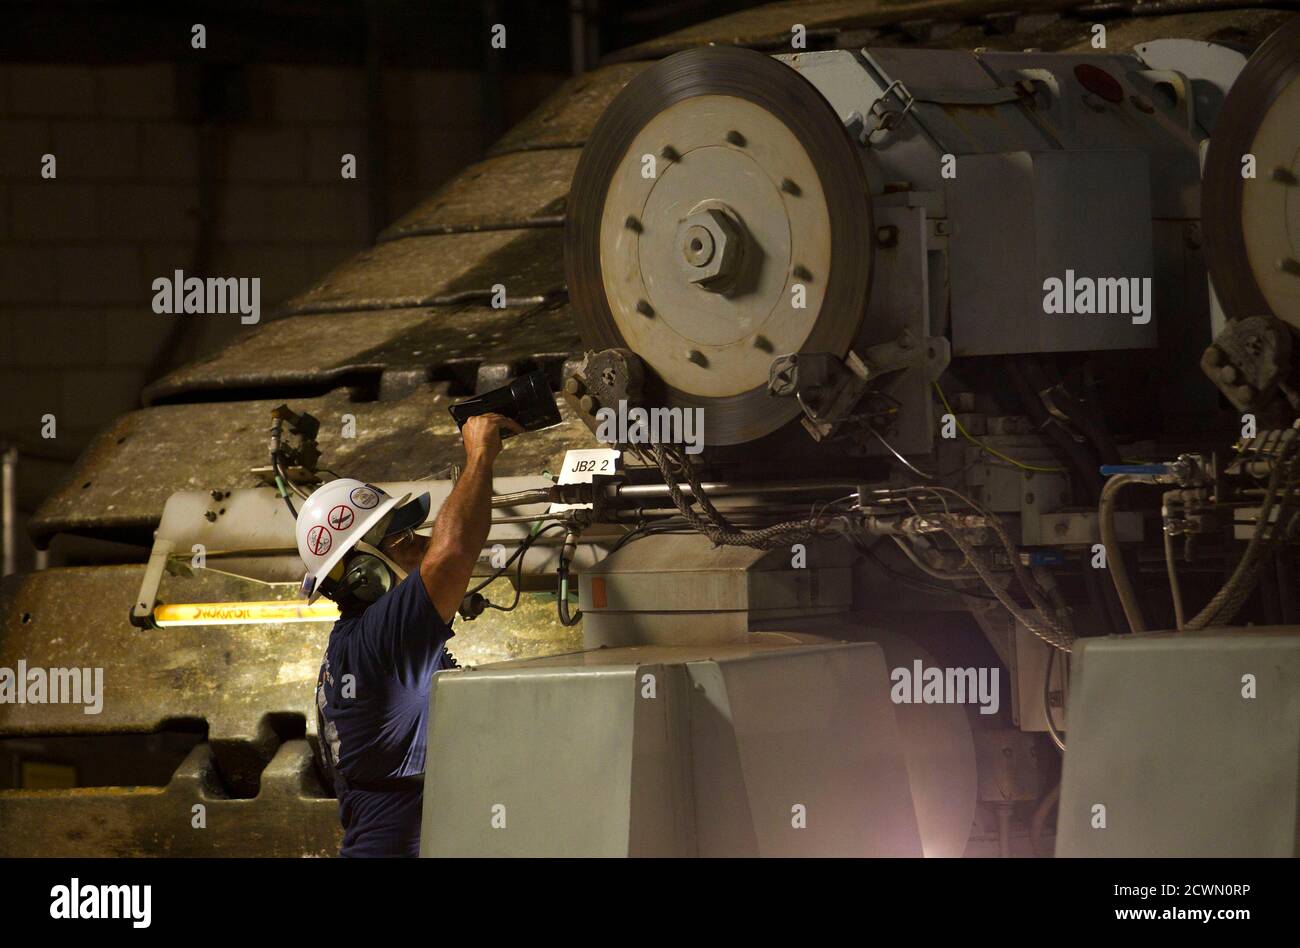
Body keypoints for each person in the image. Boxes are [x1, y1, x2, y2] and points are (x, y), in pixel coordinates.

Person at [295, 412, 523, 857]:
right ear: (365, 574)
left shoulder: (359, 642)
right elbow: (452, 553)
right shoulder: (379, 640)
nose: (422, 545)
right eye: (405, 539)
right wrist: (479, 455)